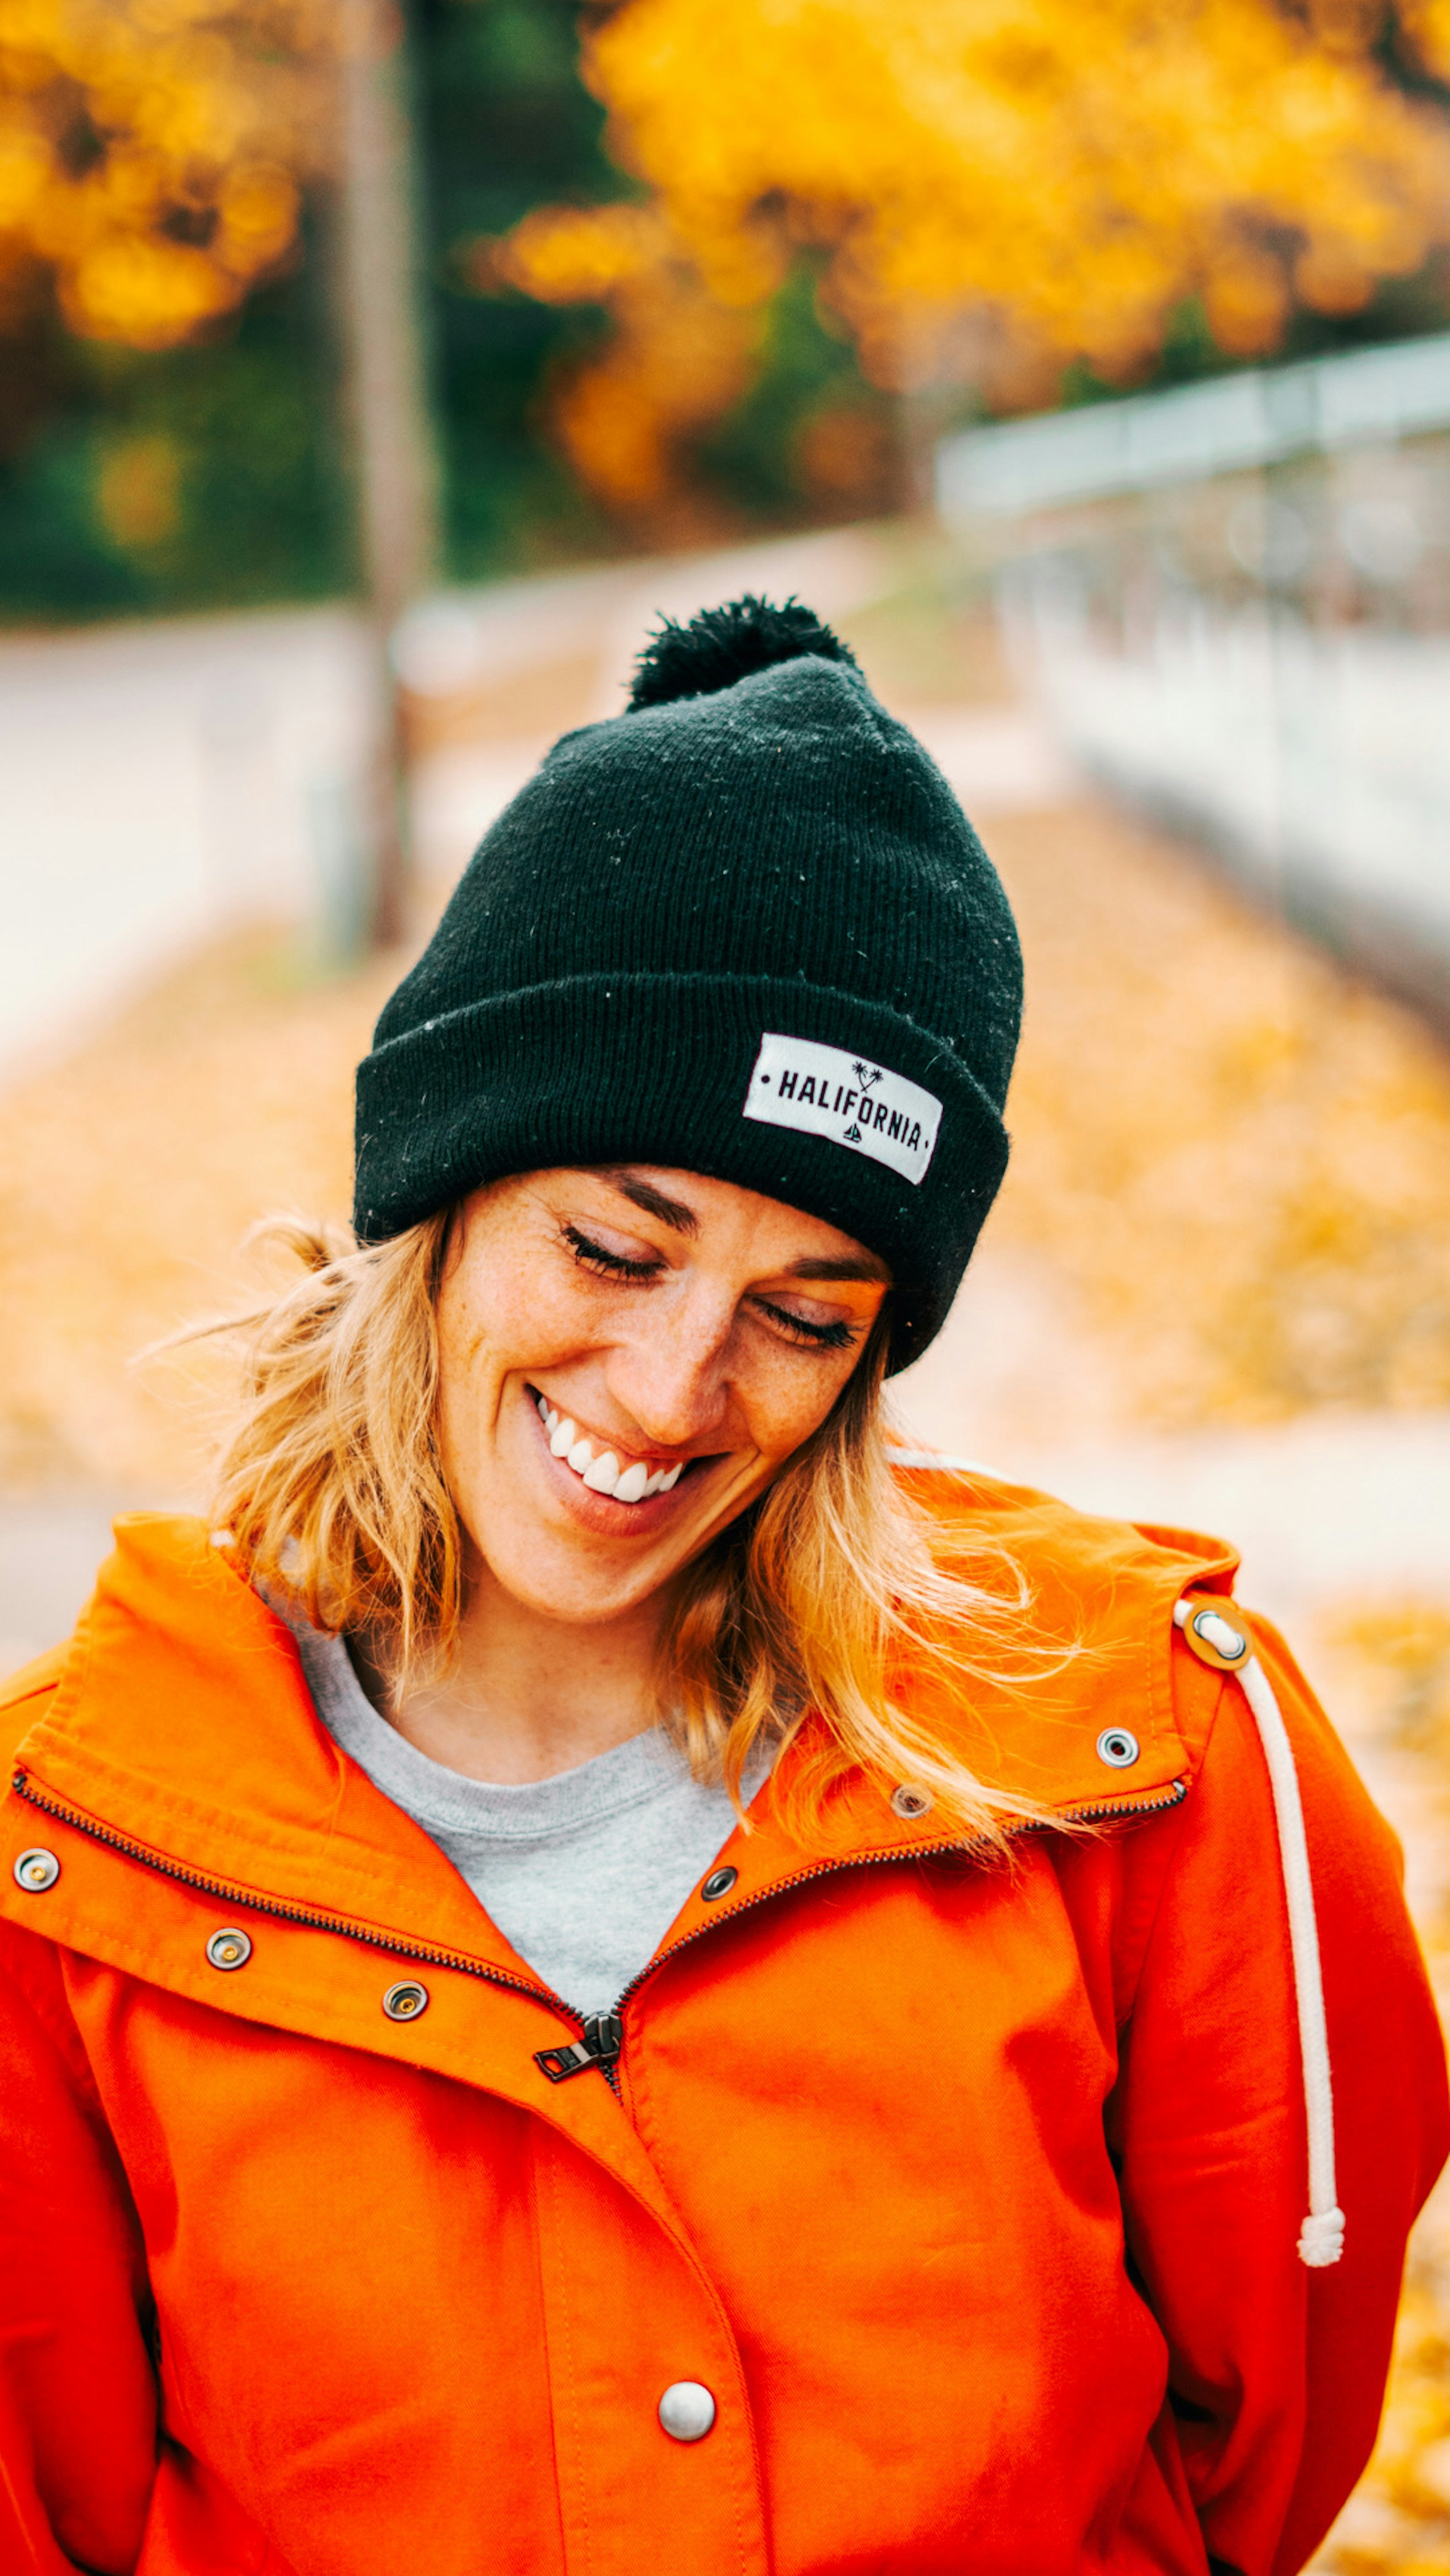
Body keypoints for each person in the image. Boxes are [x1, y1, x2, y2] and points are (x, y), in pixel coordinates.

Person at [1, 596, 1444, 2576]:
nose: (673, 1391)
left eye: (804, 1312)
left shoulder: (1167, 1769)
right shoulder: (66, 1869)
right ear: (441, 1197)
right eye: (613, 1251)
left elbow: (1242, 2477)